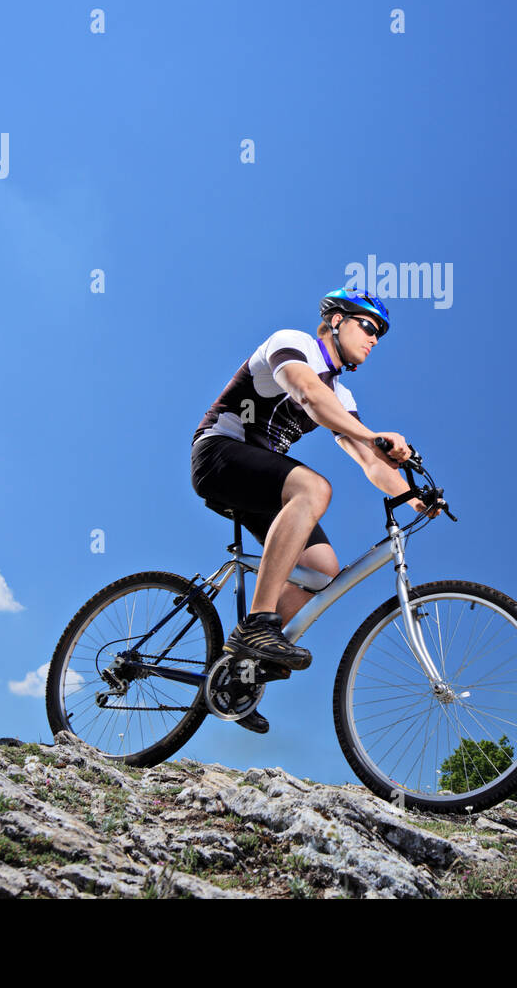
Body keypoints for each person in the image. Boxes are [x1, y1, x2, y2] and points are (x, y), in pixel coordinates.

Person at [189, 285, 439, 733]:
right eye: (368, 326)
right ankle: (257, 625)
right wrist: (375, 435)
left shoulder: (342, 397)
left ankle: (238, 673)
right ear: (337, 320)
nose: (375, 339)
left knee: (322, 569)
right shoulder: (295, 344)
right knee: (314, 487)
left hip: (262, 479)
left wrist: (411, 495)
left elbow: (368, 460)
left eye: (380, 333)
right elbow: (307, 394)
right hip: (219, 455)